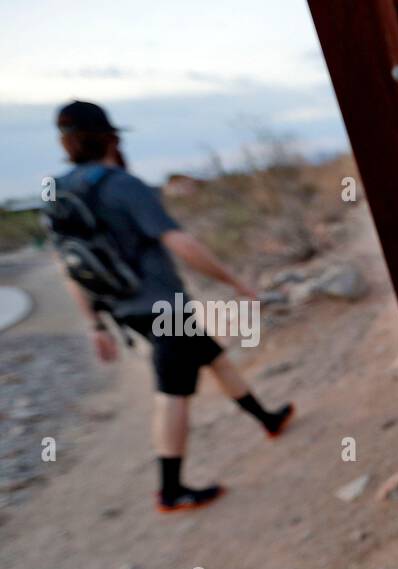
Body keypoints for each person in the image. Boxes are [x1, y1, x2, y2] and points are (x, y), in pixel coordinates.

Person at [53, 100, 292, 512]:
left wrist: (94, 324)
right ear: (110, 138)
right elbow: (179, 241)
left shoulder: (58, 192)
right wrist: (234, 281)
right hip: (162, 307)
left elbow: (70, 267)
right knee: (171, 393)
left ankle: (266, 418)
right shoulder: (121, 184)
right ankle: (171, 489)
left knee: (213, 358)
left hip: (123, 310)